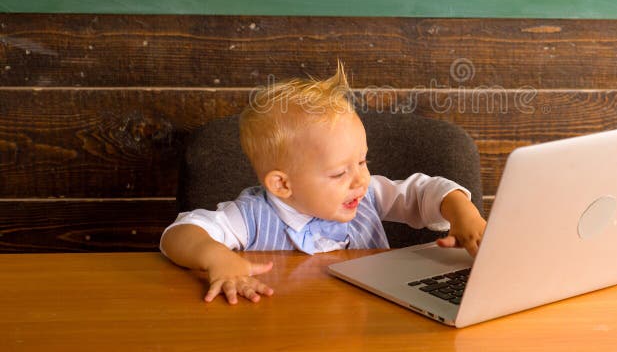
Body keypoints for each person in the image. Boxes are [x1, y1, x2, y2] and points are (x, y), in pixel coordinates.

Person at [160, 63, 487, 305]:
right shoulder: (250, 216)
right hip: (280, 328)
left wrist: (461, 212)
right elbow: (180, 234)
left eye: (362, 161)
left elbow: (423, 192)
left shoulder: (366, 192)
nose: (360, 178)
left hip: (371, 319)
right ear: (282, 185)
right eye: (338, 173)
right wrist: (215, 256)